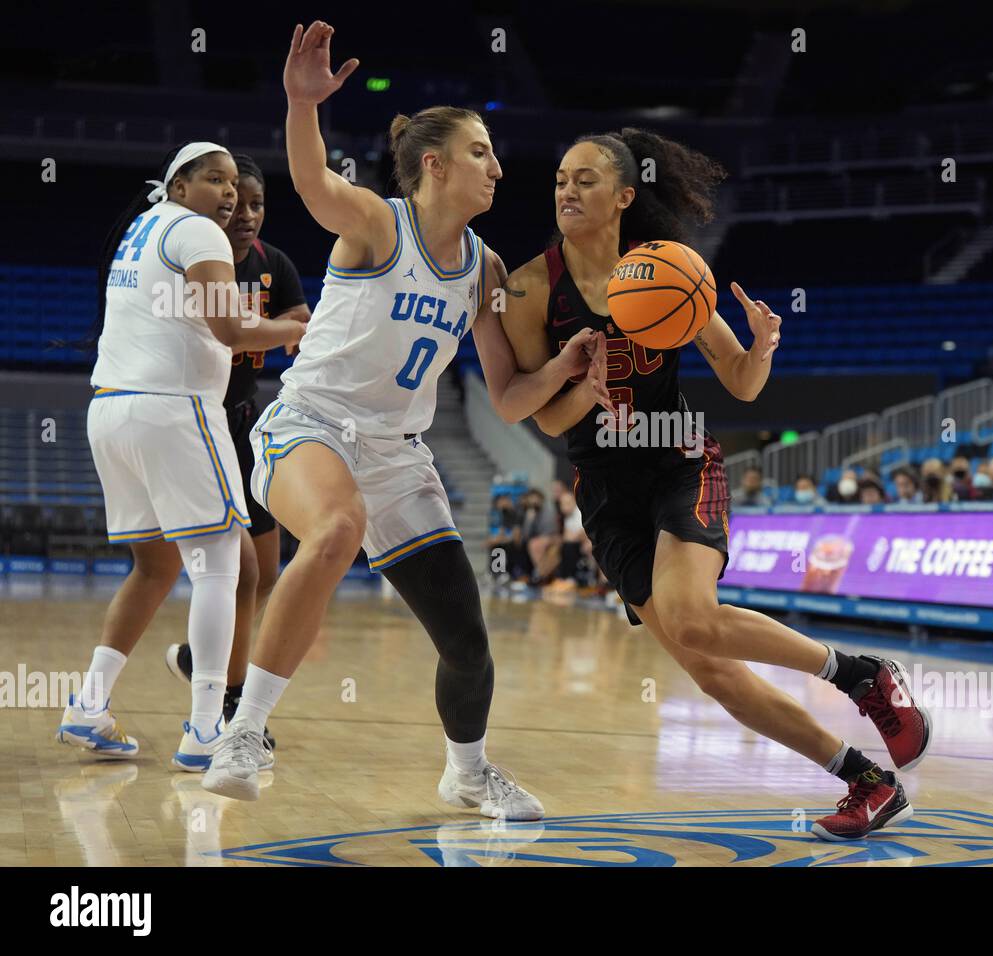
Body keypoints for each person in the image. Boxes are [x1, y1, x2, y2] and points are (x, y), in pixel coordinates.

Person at [203, 22, 596, 811]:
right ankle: (242, 732)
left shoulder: (483, 267)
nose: (497, 166)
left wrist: (563, 370)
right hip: (310, 425)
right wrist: (301, 105)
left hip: (397, 454)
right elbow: (312, 182)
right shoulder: (380, 224)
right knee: (336, 528)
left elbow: (509, 397)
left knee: (467, 640)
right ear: (434, 164)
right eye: (480, 152)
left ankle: (467, 772)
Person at [500, 127, 929, 841]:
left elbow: (741, 382)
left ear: (625, 195)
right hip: (604, 487)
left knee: (694, 618)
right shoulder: (528, 287)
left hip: (679, 459)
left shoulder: (667, 267)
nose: (567, 191)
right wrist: (580, 386)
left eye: (585, 180)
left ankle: (860, 675)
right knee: (713, 673)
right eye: (560, 180)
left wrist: (760, 349)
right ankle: (869, 782)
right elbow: (545, 417)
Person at [56, 142, 304, 770]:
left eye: (233, 183)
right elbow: (234, 331)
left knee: (156, 567)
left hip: (111, 410)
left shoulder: (143, 227)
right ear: (178, 186)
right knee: (225, 566)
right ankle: (205, 730)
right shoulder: (198, 232)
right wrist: (300, 330)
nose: (228, 193)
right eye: (215, 180)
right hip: (174, 410)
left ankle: (88, 704)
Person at [164, 154, 312, 750]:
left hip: (242, 418)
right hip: (193, 417)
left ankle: (202, 657)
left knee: (264, 573)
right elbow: (229, 330)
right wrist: (260, 327)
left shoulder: (273, 264)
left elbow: (299, 316)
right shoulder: (194, 256)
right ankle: (226, 698)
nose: (246, 213)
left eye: (257, 204)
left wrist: (280, 325)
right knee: (235, 572)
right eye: (236, 201)